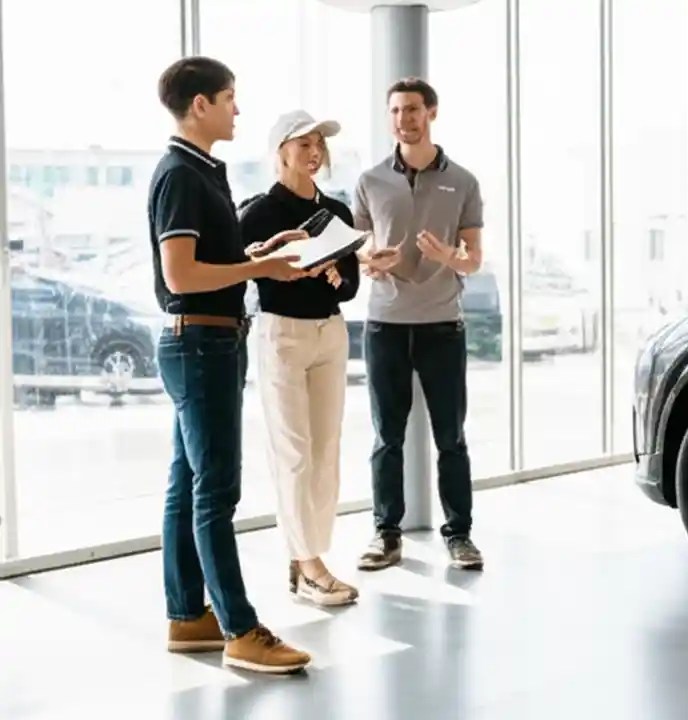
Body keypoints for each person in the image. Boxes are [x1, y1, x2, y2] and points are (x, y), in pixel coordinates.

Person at [148, 56, 313, 674]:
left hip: (206, 341)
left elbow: (209, 259)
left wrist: (259, 251)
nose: (237, 110)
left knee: (187, 485)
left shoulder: (200, 172)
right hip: (202, 346)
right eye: (229, 99)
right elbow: (181, 274)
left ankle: (189, 616)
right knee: (216, 490)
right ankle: (241, 629)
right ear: (201, 106)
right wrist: (259, 270)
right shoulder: (181, 176)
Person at [350, 77, 486, 572]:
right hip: (385, 324)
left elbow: (473, 261)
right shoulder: (369, 181)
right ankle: (386, 533)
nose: (402, 119)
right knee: (387, 436)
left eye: (411, 110)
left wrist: (450, 255)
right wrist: (371, 259)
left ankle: (461, 535)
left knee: (451, 436)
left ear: (431, 112)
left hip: (442, 326)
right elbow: (358, 247)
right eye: (394, 111)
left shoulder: (464, 182)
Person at [238, 109, 362, 607]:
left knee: (325, 450)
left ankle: (308, 556)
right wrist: (271, 256)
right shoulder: (257, 213)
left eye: (319, 144)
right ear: (281, 151)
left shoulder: (337, 212)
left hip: (330, 333)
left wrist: (335, 275)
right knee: (292, 451)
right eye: (304, 143)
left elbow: (351, 286)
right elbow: (244, 274)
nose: (314, 152)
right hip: (282, 335)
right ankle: (309, 566)